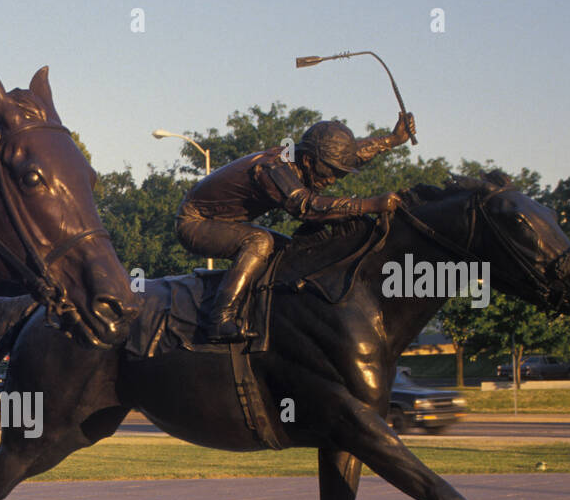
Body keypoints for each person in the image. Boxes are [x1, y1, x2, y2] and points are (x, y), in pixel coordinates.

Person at [174, 113, 416, 341]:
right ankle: (220, 319)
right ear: (309, 160)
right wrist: (370, 204)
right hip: (195, 222)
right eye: (329, 173)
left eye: (337, 174)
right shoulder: (273, 169)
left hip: (224, 222)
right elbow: (307, 207)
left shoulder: (304, 158)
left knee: (293, 250)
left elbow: (353, 155)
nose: (331, 179)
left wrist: (392, 140)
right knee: (259, 242)